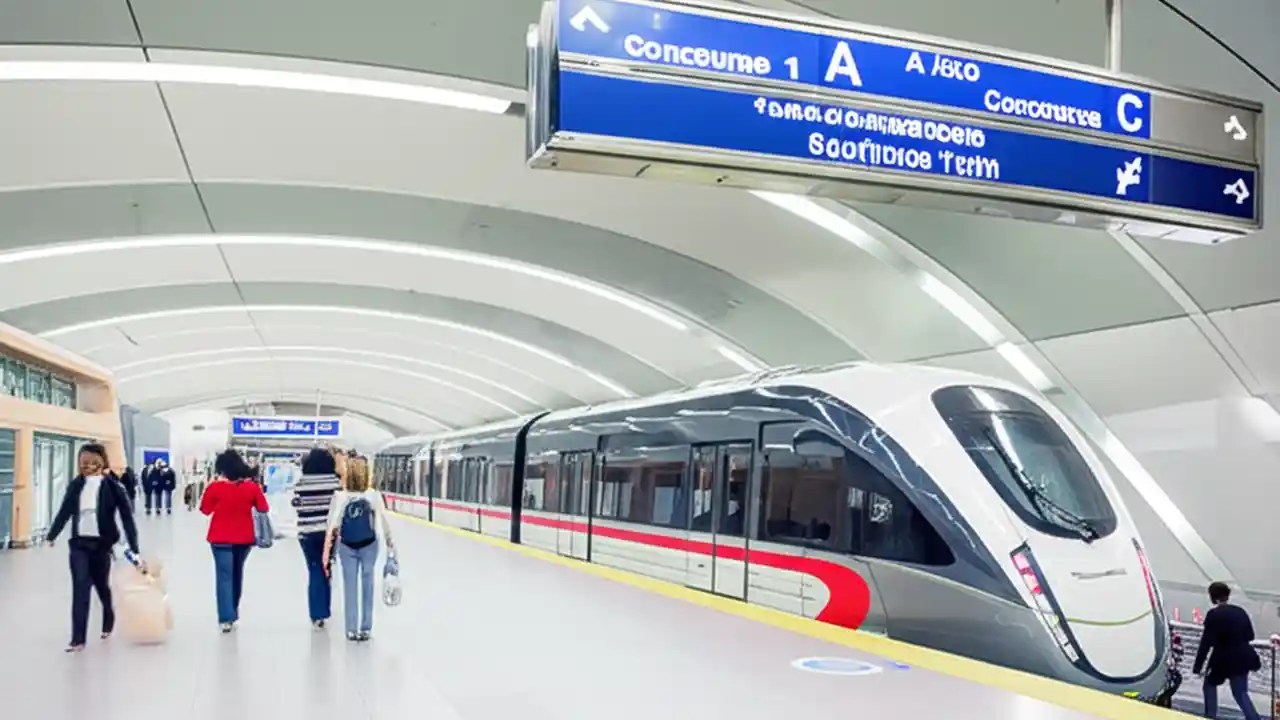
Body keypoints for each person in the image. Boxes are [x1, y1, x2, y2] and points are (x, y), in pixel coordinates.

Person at [46, 443, 141, 653]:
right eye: (83, 463)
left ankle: (109, 614)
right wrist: (52, 534)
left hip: (101, 544)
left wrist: (134, 546)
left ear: (101, 462)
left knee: (101, 586)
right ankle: (78, 639)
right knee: (80, 588)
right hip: (79, 544)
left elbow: (127, 518)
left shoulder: (113, 487)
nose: (86, 467)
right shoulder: (76, 485)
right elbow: (65, 510)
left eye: (91, 463)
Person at [322, 456, 394, 641]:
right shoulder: (373, 495)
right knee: (368, 584)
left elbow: (333, 525)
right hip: (370, 544)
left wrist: (326, 553)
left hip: (347, 546)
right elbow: (384, 521)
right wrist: (390, 543)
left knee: (350, 586)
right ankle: (366, 628)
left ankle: (351, 629)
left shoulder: (340, 496)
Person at [200, 449, 270, 633]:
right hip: (244, 538)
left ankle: (226, 618)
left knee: (224, 576)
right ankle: (233, 610)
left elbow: (205, 509)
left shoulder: (215, 487)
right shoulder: (251, 487)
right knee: (237, 574)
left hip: (220, 538)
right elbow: (263, 507)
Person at [1193, 581, 1263, 720]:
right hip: (1243, 657)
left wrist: (1198, 666)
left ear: (1213, 597)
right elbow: (1250, 636)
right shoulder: (1240, 611)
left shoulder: (1213, 615)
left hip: (1222, 659)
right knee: (1240, 693)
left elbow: (1206, 643)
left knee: (1209, 685)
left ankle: (1210, 716)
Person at [292, 448, 342, 629]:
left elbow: (298, 506)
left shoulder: (301, 483)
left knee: (314, 569)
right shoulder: (335, 483)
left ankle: (317, 613)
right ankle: (323, 609)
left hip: (307, 533)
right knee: (326, 569)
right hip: (329, 534)